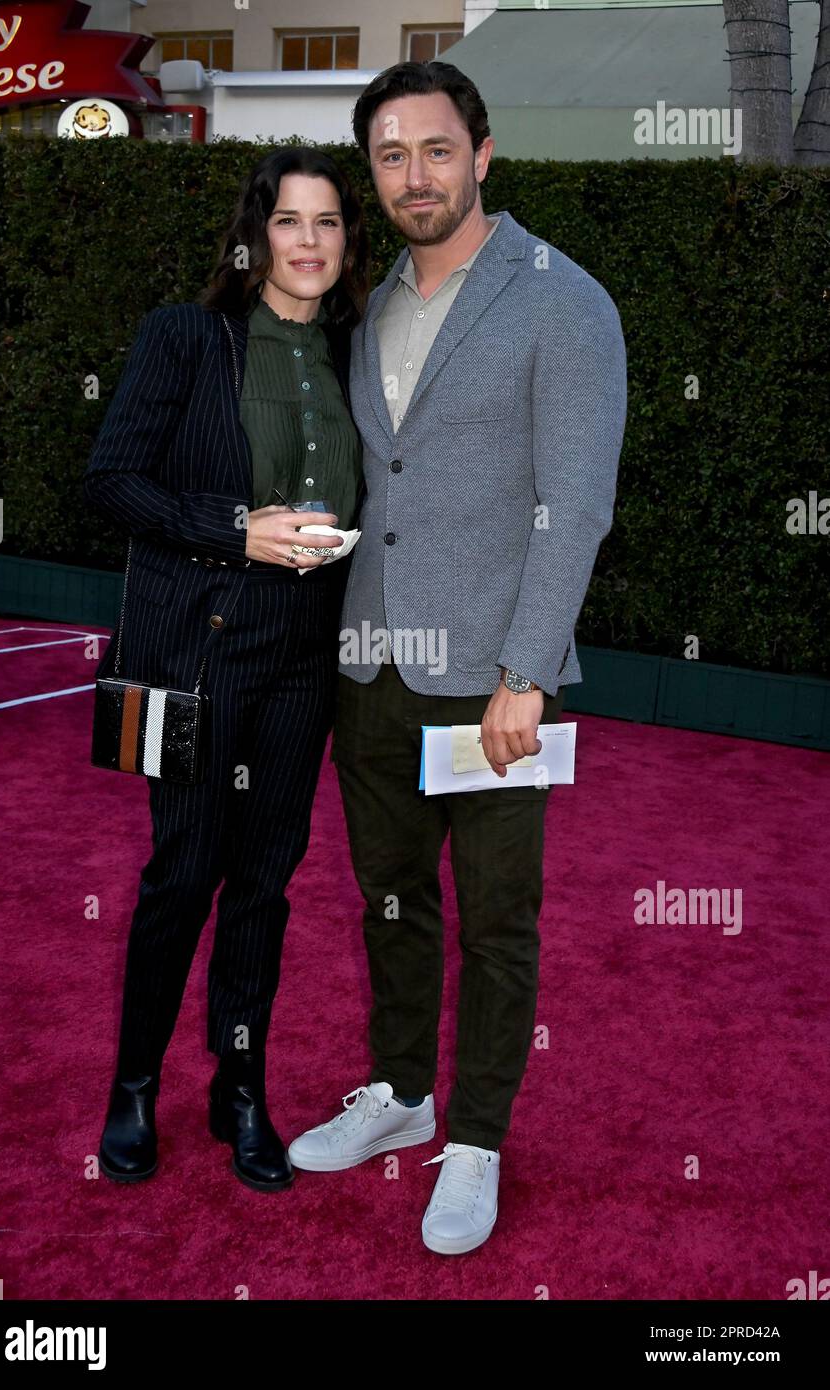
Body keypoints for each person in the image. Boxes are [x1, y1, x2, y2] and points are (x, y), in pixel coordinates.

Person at [287, 62, 627, 1253]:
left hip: (490, 684)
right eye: (388, 155)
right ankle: (401, 1096)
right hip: (368, 666)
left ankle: (473, 1137)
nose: (412, 175)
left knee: (495, 923)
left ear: (482, 154)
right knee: (388, 902)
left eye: (434, 149)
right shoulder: (368, 299)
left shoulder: (560, 299)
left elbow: (574, 502)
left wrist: (526, 672)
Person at [84, 148, 369, 1191]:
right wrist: (232, 530)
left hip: (304, 657)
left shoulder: (355, 353)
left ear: (347, 241)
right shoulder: (187, 337)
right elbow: (111, 479)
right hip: (199, 648)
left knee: (264, 881)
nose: (307, 242)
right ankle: (134, 1086)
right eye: (287, 220)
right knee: (181, 873)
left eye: (328, 222)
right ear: (253, 237)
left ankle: (238, 1087)